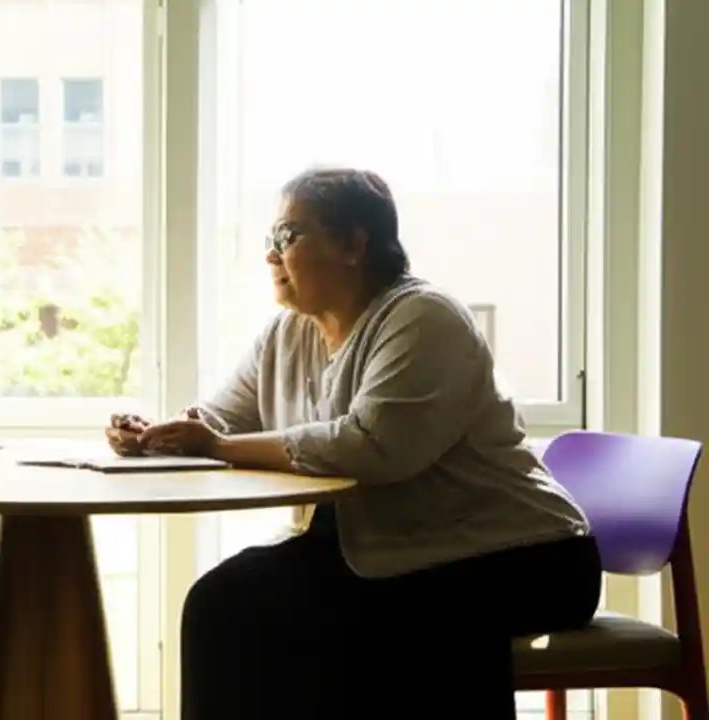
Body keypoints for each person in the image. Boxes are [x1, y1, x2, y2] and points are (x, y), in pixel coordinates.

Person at [107, 168, 602, 718]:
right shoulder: (286, 334)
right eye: (270, 240)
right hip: (381, 547)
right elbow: (222, 419)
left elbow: (373, 447)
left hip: (522, 557)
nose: (272, 255)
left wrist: (217, 446)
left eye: (287, 237)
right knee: (222, 602)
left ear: (352, 243)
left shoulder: (424, 318)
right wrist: (159, 437)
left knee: (332, 622)